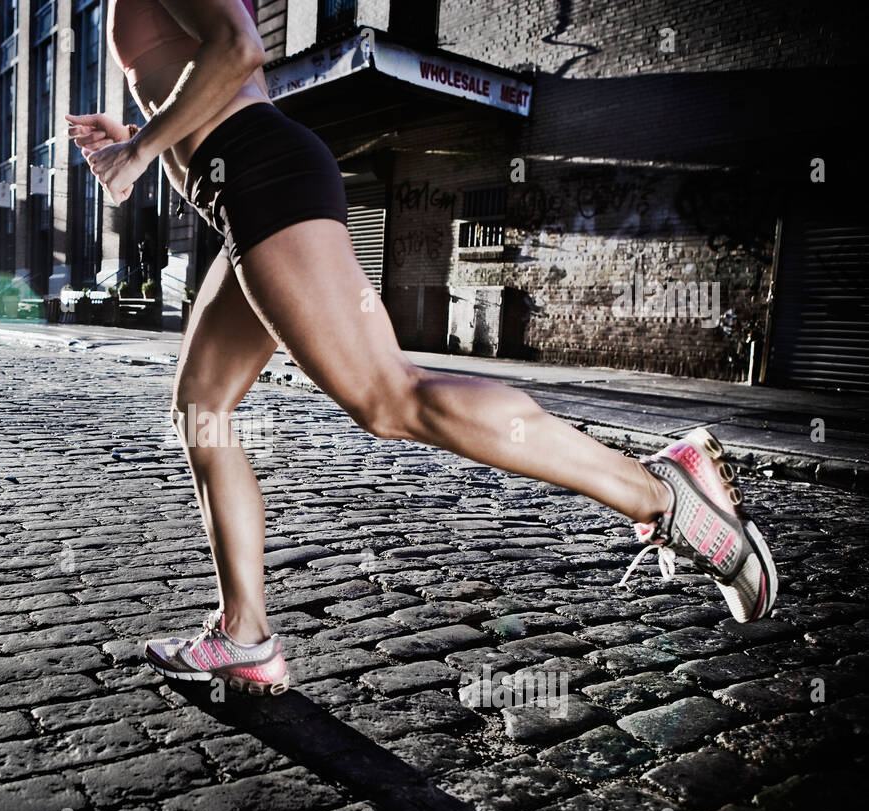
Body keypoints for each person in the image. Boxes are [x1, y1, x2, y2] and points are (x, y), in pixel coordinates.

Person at [67, 0, 777, 697]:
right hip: (243, 189)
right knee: (203, 410)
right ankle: (244, 633)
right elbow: (209, 73)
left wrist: (141, 148)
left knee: (389, 397)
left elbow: (238, 49)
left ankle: (662, 494)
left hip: (262, 176)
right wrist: (140, 131)